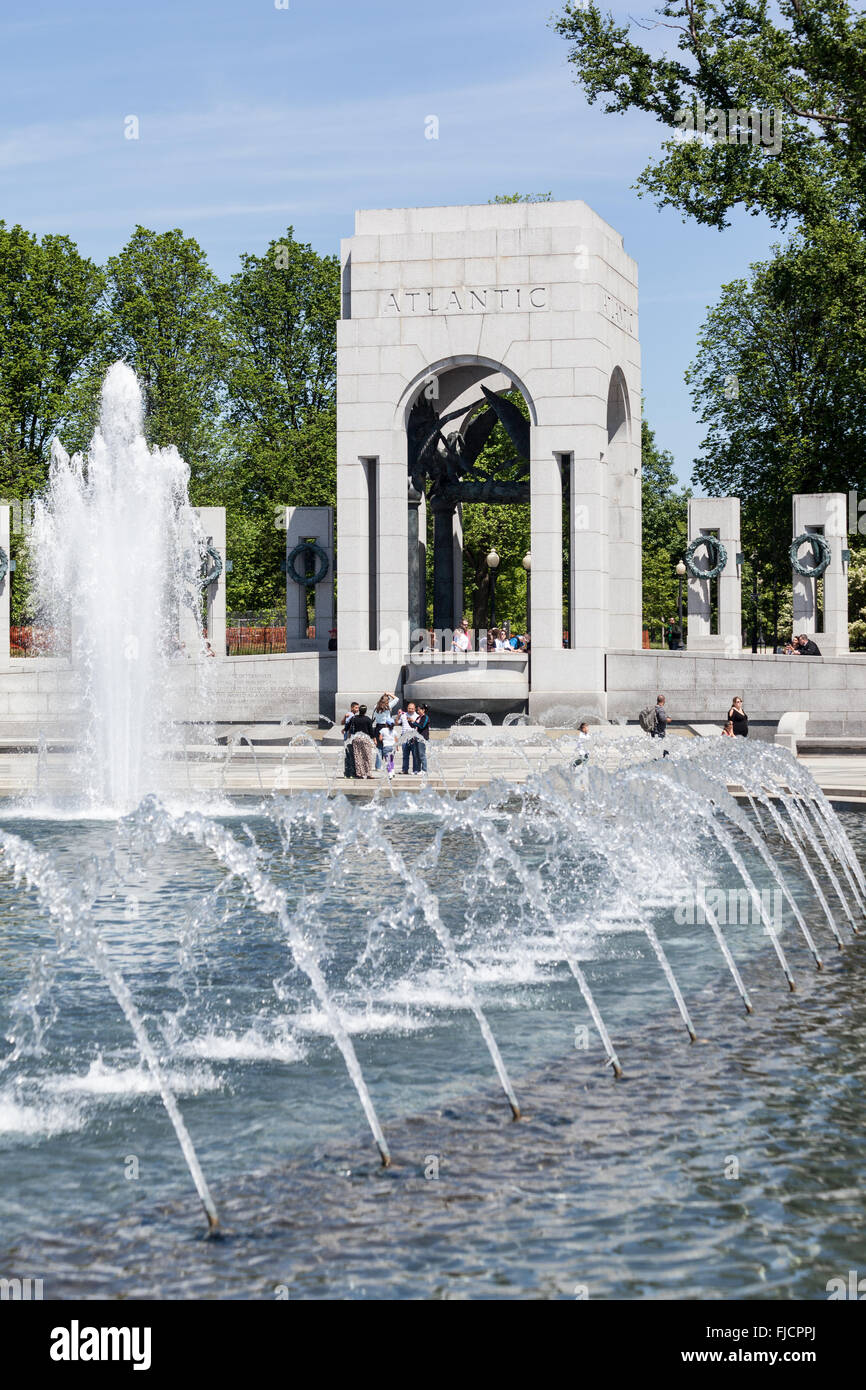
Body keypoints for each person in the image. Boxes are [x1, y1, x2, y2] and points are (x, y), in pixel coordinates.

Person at [349, 704, 377, 778]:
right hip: (365, 739)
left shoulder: (354, 718)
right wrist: (374, 739)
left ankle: (359, 773)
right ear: (365, 711)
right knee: (367, 756)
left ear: (359, 711)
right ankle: (368, 773)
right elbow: (371, 731)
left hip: (356, 738)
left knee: (358, 756)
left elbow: (349, 727)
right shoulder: (367, 719)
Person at [372, 692, 398, 769]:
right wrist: (389, 693)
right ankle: (388, 764)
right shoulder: (388, 706)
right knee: (387, 744)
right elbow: (397, 699)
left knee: (379, 747)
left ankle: (378, 766)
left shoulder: (375, 706)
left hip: (378, 727)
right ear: (387, 701)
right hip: (386, 727)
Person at [399, 703, 419, 774]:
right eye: (409, 708)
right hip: (404, 737)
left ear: (415, 709)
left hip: (413, 737)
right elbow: (397, 723)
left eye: (412, 709)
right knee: (405, 755)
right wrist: (398, 716)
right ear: (407, 708)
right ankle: (405, 769)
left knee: (415, 755)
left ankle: (415, 770)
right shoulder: (403, 715)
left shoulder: (417, 716)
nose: (410, 710)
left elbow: (418, 727)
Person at [342, 701, 360, 778]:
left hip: (347, 738)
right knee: (351, 755)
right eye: (356, 707)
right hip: (349, 738)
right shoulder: (351, 715)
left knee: (348, 755)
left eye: (358, 708)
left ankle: (347, 773)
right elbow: (348, 726)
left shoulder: (349, 715)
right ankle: (351, 773)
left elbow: (343, 723)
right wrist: (349, 736)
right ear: (352, 707)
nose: (357, 709)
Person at [414, 702, 430, 773]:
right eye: (417, 710)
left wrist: (414, 722)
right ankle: (418, 769)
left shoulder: (425, 717)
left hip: (422, 738)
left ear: (423, 710)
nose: (418, 711)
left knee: (421, 754)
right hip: (417, 737)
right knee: (416, 754)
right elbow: (414, 726)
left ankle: (424, 769)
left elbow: (421, 726)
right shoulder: (418, 717)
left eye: (419, 710)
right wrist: (410, 721)